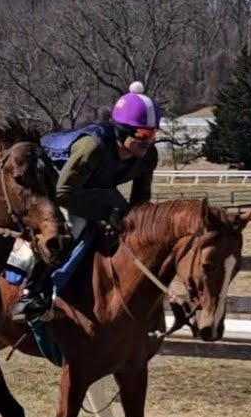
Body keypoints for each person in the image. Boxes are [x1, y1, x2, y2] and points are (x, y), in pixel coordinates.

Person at [11, 82, 162, 323]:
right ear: (123, 131)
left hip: (91, 186)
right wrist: (105, 213)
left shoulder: (148, 157)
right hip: (50, 180)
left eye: (153, 134)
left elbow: (140, 201)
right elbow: (64, 192)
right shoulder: (92, 147)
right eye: (143, 135)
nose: (149, 141)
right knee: (73, 228)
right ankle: (32, 293)